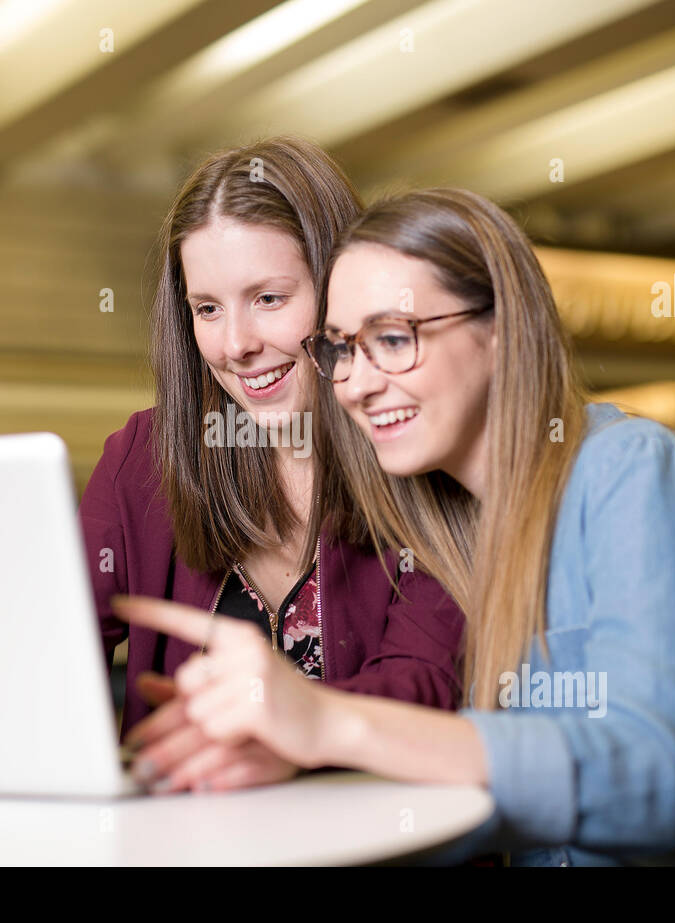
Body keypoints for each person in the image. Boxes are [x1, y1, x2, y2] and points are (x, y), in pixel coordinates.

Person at [114, 187, 675, 864]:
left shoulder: (633, 473)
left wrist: (327, 722)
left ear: (499, 330)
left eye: (394, 338)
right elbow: (514, 797)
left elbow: (646, 781)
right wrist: (285, 776)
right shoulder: (464, 528)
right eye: (341, 349)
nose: (355, 383)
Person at [81, 142, 464, 796]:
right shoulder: (142, 457)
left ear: (343, 288)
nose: (236, 345)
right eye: (208, 308)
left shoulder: (421, 447)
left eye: (267, 298)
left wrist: (297, 723)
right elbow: (51, 646)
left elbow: (426, 683)